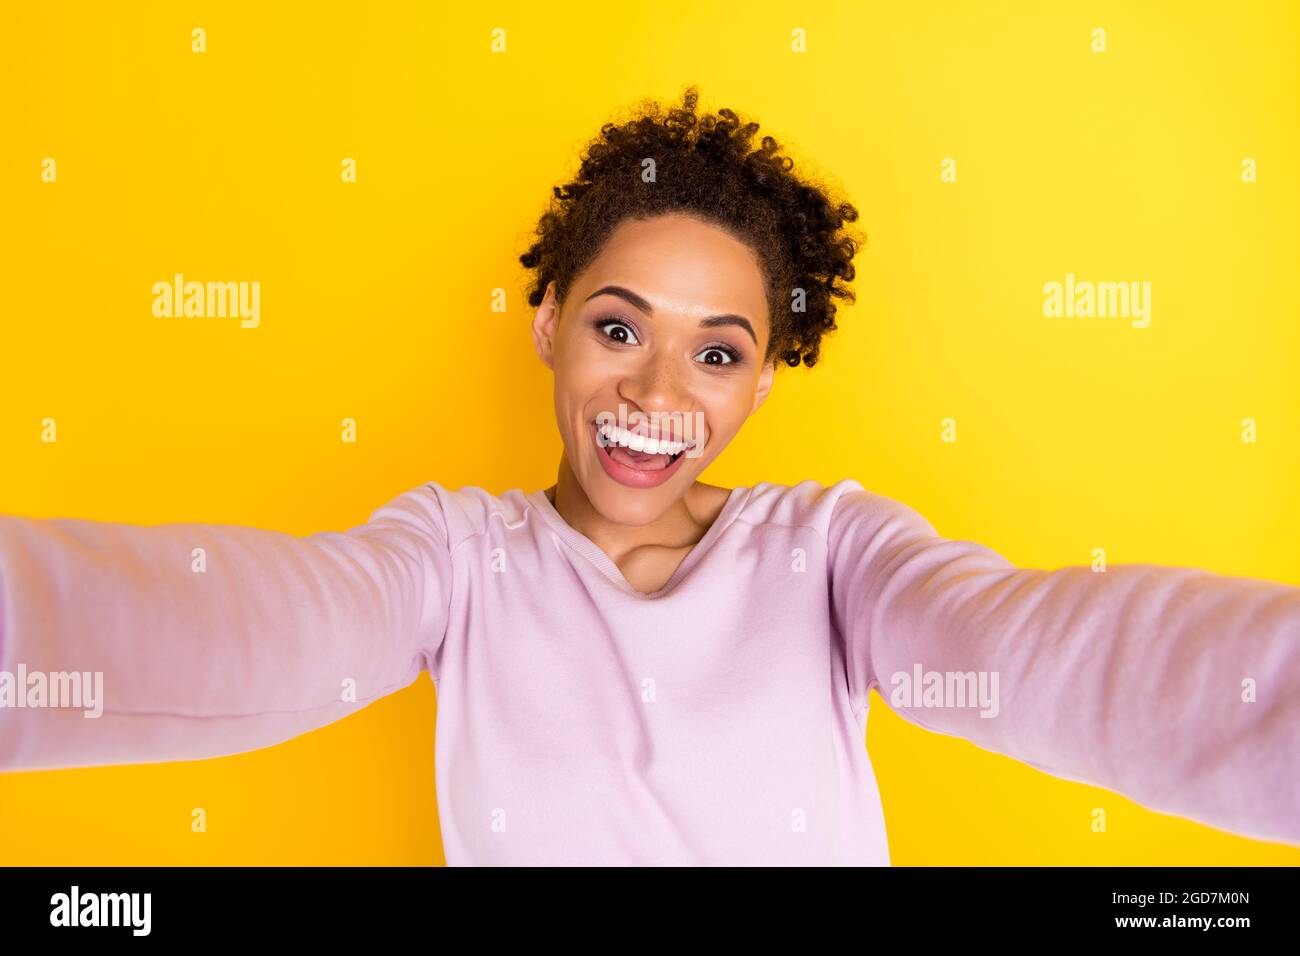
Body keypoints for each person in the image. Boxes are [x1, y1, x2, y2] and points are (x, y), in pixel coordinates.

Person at [1, 87, 1297, 865]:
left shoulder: (833, 553)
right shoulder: (455, 560)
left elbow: (1049, 651)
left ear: (761, 382)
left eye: (717, 353)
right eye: (620, 328)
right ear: (547, 323)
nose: (660, 397)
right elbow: (252, 626)